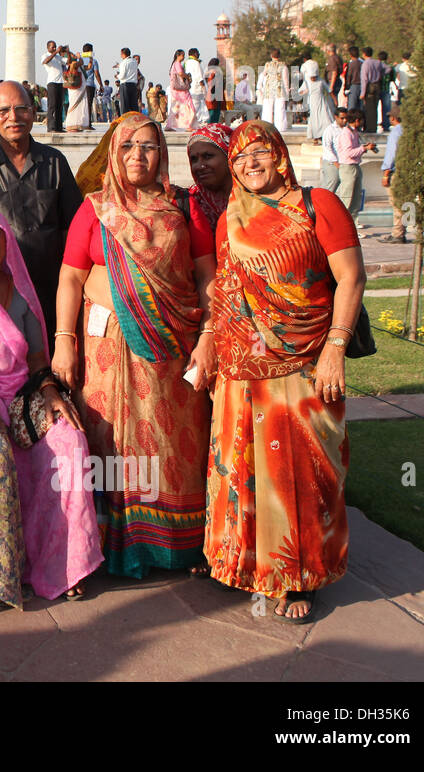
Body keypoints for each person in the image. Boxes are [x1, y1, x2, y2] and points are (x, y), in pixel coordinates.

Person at [206, 121, 363, 623]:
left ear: (279, 156)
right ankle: (250, 565)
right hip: (242, 368)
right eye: (240, 157)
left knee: (303, 468)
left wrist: (337, 346)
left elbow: (351, 278)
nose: (251, 164)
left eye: (260, 153)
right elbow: (227, 290)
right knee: (248, 468)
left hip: (307, 358)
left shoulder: (319, 205)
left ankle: (301, 575)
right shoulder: (230, 216)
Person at [54, 112, 216, 578]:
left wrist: (207, 336)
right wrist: (64, 341)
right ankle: (108, 546)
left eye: (148, 146)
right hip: (104, 351)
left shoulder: (184, 208)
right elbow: (70, 277)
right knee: (111, 443)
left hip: (171, 347)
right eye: (127, 146)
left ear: (162, 153)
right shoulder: (95, 207)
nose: (137, 156)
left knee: (172, 444)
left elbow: (206, 275)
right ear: (113, 152)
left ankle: (176, 546)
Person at [0, 205, 101, 604]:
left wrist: (50, 394)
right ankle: (4, 573)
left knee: (71, 441)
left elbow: (38, 360)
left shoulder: (22, 289)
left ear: (7, 238)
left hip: (24, 395)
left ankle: (65, 564)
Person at [0, 81, 82, 334]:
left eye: (21, 109)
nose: (13, 118)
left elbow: (72, 229)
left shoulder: (55, 163)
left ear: (33, 113)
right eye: (3, 111)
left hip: (50, 290)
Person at [186, 122, 234, 234]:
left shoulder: (253, 198)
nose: (200, 166)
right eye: (194, 159)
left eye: (207, 156)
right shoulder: (191, 202)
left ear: (229, 155)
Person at [334, 108, 376, 228]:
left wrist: (365, 148)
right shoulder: (346, 133)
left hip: (355, 166)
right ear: (357, 120)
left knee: (356, 198)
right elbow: (349, 153)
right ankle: (341, 226)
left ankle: (352, 224)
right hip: (348, 167)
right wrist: (364, 149)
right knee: (347, 197)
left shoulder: (354, 133)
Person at [379, 107, 406, 243]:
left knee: (396, 203)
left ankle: (397, 234)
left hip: (396, 172)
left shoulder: (395, 132)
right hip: (407, 171)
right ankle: (402, 231)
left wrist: (386, 173)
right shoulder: (408, 130)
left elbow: (391, 154)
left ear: (393, 118)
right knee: (405, 203)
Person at [303, 68, 337, 143]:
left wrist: (335, 99)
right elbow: (301, 91)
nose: (313, 78)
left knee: (325, 118)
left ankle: (327, 136)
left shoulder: (321, 81)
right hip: (312, 103)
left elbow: (329, 90)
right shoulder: (307, 82)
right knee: (314, 120)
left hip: (321, 102)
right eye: (311, 77)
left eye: (314, 77)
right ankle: (315, 137)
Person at [165, 50, 194, 131]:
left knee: (175, 107)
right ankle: (190, 125)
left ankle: (169, 125)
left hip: (175, 89)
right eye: (183, 55)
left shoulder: (174, 64)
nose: (184, 57)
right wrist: (187, 76)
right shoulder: (177, 64)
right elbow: (180, 73)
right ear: (179, 55)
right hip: (181, 90)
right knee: (189, 105)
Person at [41, 41, 65, 132]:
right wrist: (55, 53)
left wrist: (67, 52)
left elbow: (68, 62)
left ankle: (59, 126)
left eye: (55, 47)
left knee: (59, 105)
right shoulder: (45, 55)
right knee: (52, 105)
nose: (55, 48)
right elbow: (45, 61)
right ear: (48, 48)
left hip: (60, 82)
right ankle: (51, 127)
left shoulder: (59, 57)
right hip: (52, 82)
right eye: (53, 47)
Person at [360, 46, 385, 134]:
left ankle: (369, 128)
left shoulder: (365, 64)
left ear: (364, 54)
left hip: (369, 88)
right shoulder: (378, 62)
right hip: (377, 86)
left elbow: (364, 79)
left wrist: (362, 93)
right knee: (375, 107)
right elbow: (388, 68)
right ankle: (374, 127)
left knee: (369, 109)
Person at [185, 48, 207, 124]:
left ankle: (192, 122)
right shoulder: (195, 63)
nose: (199, 54)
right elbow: (199, 77)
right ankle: (191, 123)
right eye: (198, 53)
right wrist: (204, 89)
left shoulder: (186, 62)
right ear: (194, 54)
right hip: (197, 88)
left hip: (190, 88)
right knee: (196, 107)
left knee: (192, 106)